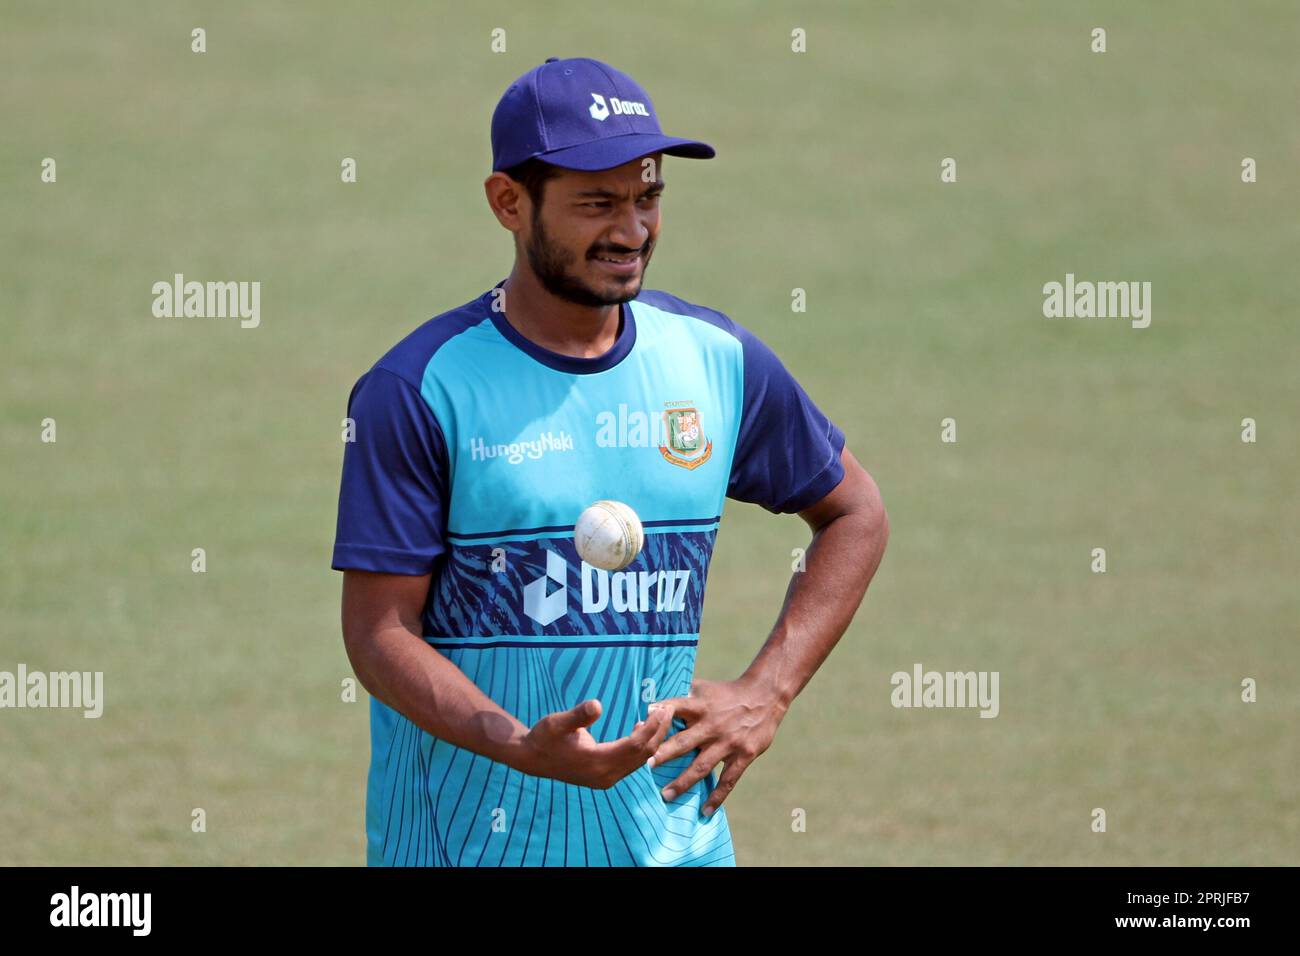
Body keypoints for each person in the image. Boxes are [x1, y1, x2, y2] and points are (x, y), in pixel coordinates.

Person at [331, 56, 889, 866]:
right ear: (508, 203)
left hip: (678, 847)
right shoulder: (418, 388)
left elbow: (855, 512)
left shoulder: (715, 362)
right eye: (598, 202)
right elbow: (379, 633)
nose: (631, 230)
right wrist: (520, 744)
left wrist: (767, 691)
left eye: (648, 196)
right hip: (469, 848)